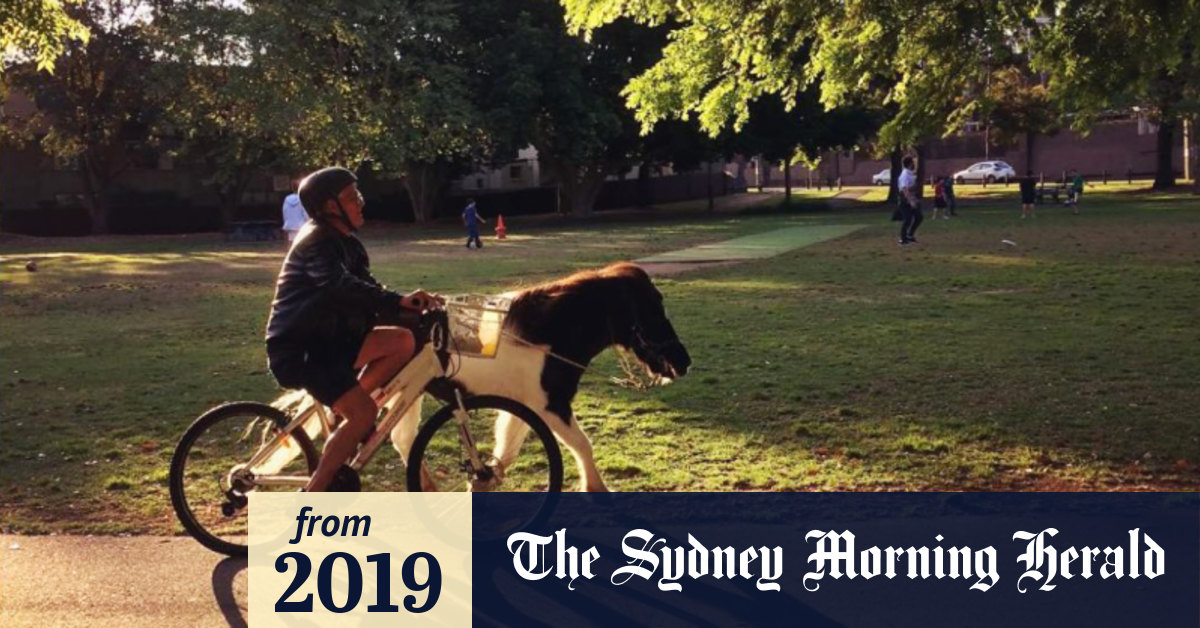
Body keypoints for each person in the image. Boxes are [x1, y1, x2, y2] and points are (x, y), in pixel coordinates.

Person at [265, 167, 443, 492]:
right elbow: (340, 286)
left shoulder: (348, 243)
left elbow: (367, 287)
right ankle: (314, 494)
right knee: (362, 415)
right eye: (351, 198)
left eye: (358, 195)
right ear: (329, 207)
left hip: (331, 340)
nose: (360, 203)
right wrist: (399, 301)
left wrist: (408, 304)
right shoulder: (316, 241)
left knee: (402, 341)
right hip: (302, 348)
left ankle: (349, 411)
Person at [896, 156, 922, 245]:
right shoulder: (905, 175)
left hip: (911, 197)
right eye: (913, 162)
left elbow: (910, 188)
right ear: (910, 163)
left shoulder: (910, 173)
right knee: (907, 219)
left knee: (919, 217)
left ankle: (910, 235)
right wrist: (910, 201)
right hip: (905, 198)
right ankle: (903, 239)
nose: (914, 164)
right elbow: (904, 189)